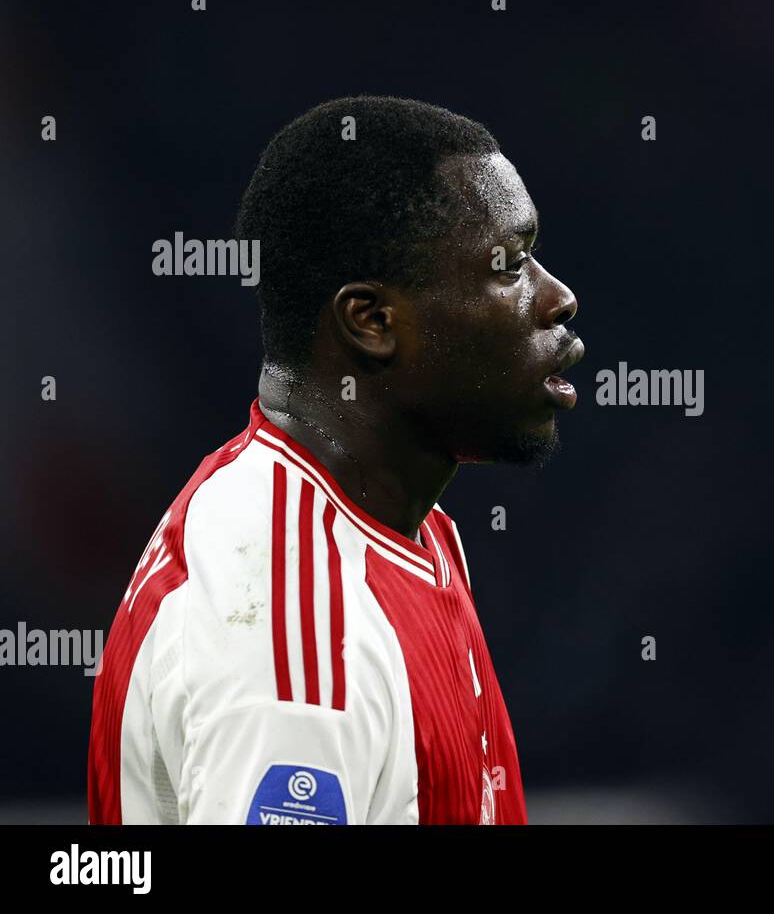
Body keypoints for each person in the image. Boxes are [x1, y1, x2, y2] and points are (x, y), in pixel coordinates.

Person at [87, 96, 583, 824]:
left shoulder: (404, 529)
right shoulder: (291, 628)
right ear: (372, 321)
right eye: (509, 266)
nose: (558, 298)